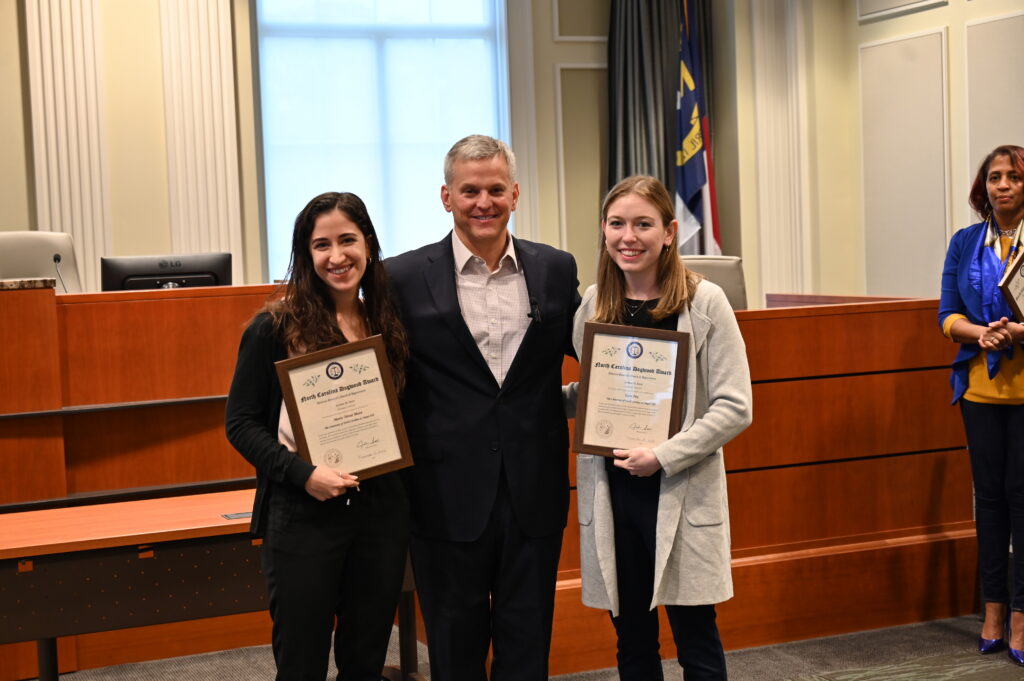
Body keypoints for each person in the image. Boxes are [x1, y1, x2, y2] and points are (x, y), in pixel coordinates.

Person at [385, 134, 581, 680]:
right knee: (453, 648)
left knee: (526, 646)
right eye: (469, 190)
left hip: (533, 492)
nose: (483, 202)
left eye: (495, 189)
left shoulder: (556, 270)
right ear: (446, 197)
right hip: (444, 496)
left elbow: (598, 351)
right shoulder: (400, 277)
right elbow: (379, 376)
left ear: (515, 194)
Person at [564, 176, 752, 681]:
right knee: (632, 641)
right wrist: (538, 405)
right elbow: (599, 393)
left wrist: (663, 455)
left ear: (669, 232)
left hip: (678, 490)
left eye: (643, 224)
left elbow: (735, 406)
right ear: (603, 231)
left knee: (697, 639)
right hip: (613, 495)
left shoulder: (705, 302)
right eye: (617, 223)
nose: (629, 236)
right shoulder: (593, 302)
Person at [225, 192, 410, 681]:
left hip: (380, 513)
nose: (337, 256)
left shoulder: (386, 322)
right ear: (306, 256)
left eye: (347, 240)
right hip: (303, 512)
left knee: (365, 657)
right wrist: (303, 475)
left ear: (367, 244)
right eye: (321, 245)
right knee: (302, 660)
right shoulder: (273, 327)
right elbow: (240, 424)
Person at [938, 144, 1024, 665]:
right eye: (994, 177)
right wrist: (981, 334)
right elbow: (947, 314)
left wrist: (1020, 332)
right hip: (979, 391)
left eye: (1013, 176)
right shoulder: (965, 242)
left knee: (1023, 500)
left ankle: (1020, 615)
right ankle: (992, 610)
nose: (1002, 185)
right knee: (988, 501)